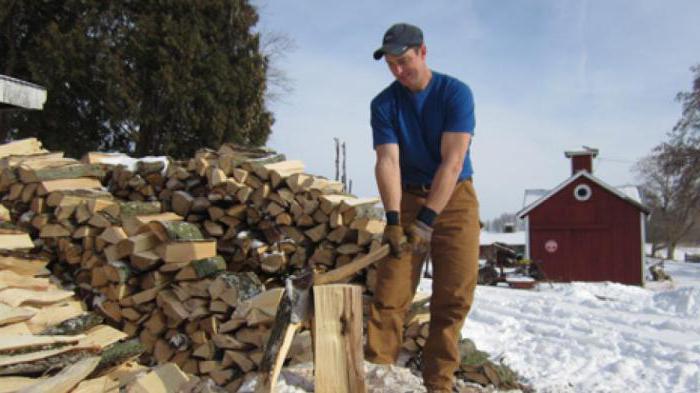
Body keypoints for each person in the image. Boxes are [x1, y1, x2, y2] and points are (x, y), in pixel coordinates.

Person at [365, 22, 481, 392]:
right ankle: (379, 375)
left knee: (453, 296)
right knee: (390, 293)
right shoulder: (383, 104)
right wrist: (395, 220)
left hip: (455, 197)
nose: (399, 70)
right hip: (410, 196)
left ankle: (439, 383)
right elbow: (387, 161)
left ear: (423, 52)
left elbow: (453, 160)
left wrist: (429, 220)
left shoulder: (455, 93)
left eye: (405, 61)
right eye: (391, 64)